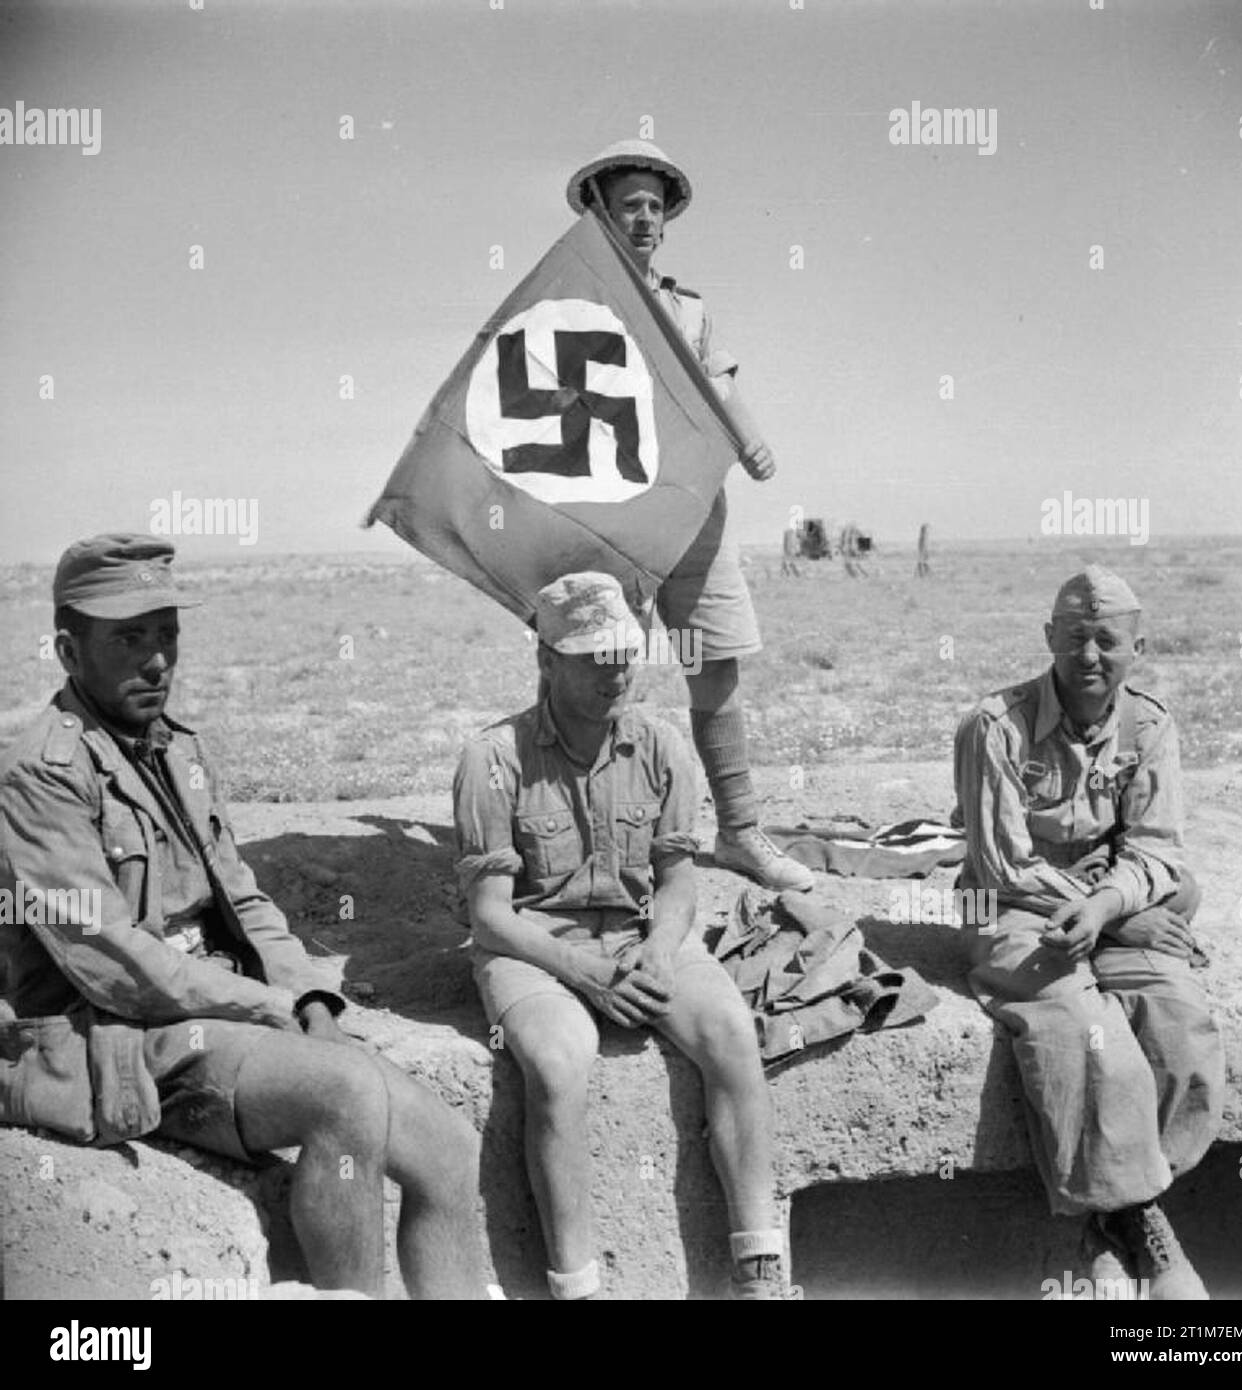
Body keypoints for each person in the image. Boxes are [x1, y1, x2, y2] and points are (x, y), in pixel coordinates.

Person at [0, 534, 484, 1300]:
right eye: (130, 639)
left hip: (218, 1003)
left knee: (450, 1146)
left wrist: (311, 1000)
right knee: (343, 1094)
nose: (158, 661)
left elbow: (245, 898)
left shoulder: (176, 751)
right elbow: (115, 966)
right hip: (120, 1035)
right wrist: (271, 1005)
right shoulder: (40, 776)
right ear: (67, 650)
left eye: (167, 634)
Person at [453, 572, 786, 1300]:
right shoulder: (494, 759)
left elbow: (678, 883)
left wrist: (661, 950)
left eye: (625, 654)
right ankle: (578, 1287)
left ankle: (760, 1271)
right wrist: (584, 971)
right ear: (545, 658)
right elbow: (491, 915)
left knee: (732, 1033)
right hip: (534, 947)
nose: (616, 672)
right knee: (557, 1061)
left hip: (642, 936)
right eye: (594, 656)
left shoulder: (663, 746)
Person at [952, 565, 1224, 1299]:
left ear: (1138, 645)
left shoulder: (1151, 725)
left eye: (1108, 639)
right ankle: (1138, 1227)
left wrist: (1108, 909)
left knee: (1182, 1028)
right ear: (1049, 639)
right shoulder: (994, 726)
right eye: (1075, 638)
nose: (1091, 655)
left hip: (1110, 908)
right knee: (1082, 1032)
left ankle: (1116, 1215)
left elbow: (1158, 845)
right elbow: (1003, 862)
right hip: (1016, 909)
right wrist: (1114, 906)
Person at [565, 139, 812, 893]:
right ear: (599, 213)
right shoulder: (574, 305)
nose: (643, 218)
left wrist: (753, 440)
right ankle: (596, 839)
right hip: (613, 519)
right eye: (627, 204)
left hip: (695, 512)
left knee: (715, 669)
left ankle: (739, 834)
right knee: (600, 670)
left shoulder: (689, 308)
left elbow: (722, 387)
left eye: (653, 206)